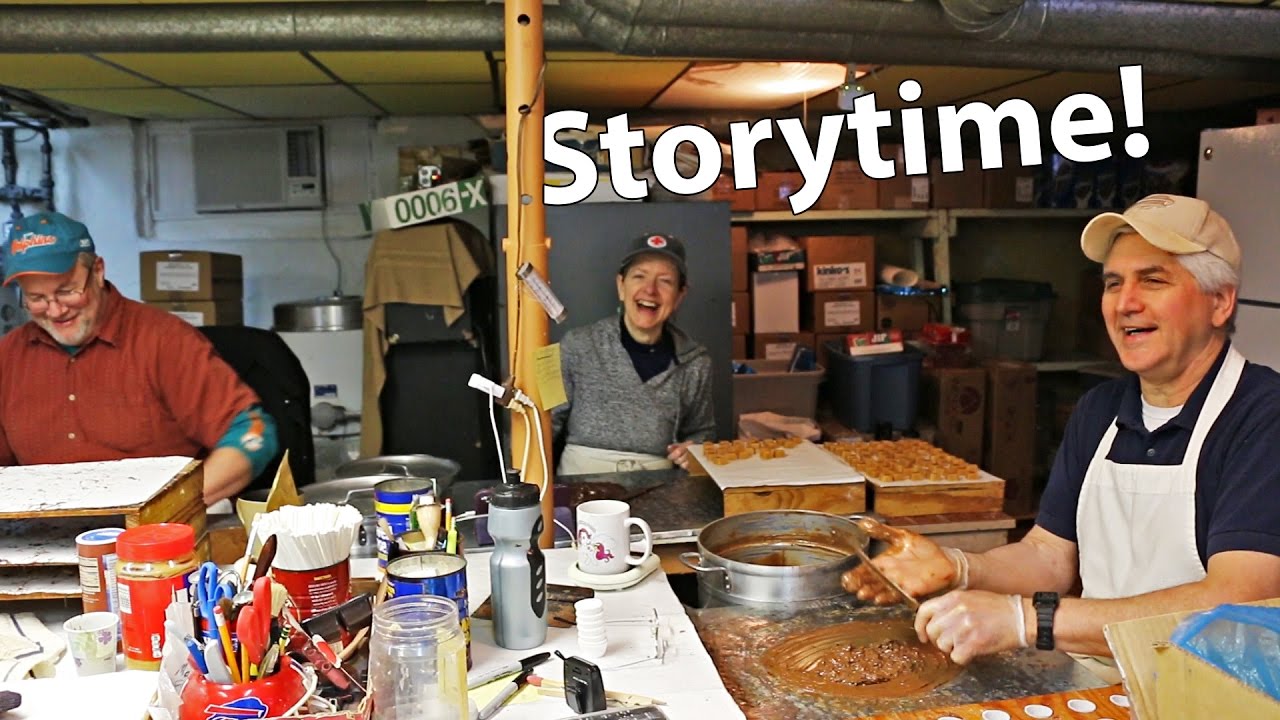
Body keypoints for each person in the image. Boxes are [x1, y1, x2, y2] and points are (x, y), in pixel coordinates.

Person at [843, 194, 1280, 681]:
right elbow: (1049, 556)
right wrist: (959, 567)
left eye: (1153, 280)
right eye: (1113, 283)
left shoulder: (1262, 417)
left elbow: (1237, 601)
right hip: (1099, 688)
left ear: (1219, 302)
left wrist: (1026, 619)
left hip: (1214, 699)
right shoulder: (1101, 411)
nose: (1125, 303)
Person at [0, 211, 279, 506]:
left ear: (97, 271)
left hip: (160, 530)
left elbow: (252, 433)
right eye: (36, 299)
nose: (55, 311)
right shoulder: (8, 357)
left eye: (67, 291)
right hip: (45, 535)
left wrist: (172, 507)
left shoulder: (166, 340)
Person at [551, 233, 715, 475]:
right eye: (639, 276)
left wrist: (695, 451)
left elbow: (702, 433)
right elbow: (543, 422)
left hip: (659, 490)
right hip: (580, 486)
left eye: (665, 281)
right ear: (621, 285)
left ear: (680, 296)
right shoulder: (575, 345)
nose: (650, 290)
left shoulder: (696, 362)